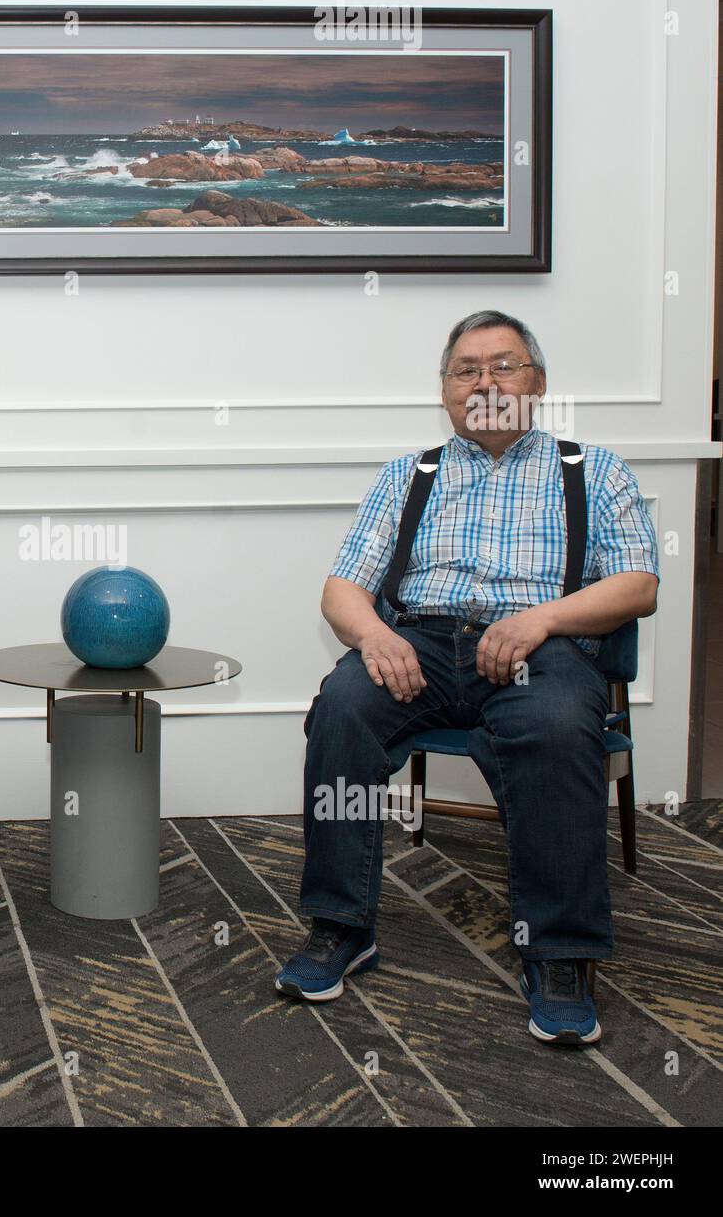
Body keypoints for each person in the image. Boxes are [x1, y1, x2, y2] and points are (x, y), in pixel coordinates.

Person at [275, 310, 659, 1047]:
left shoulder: (596, 470)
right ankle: (340, 923)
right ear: (445, 391)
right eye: (466, 369)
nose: (484, 380)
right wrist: (376, 634)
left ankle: (560, 953)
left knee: (550, 727)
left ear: (537, 382)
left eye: (504, 365)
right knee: (344, 708)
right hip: (422, 641)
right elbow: (341, 588)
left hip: (539, 648)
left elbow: (638, 585)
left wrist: (542, 620)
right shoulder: (407, 475)